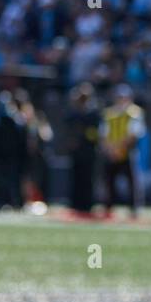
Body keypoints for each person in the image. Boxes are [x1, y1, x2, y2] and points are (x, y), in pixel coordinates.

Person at [100, 84, 146, 218]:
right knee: (109, 181)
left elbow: (134, 133)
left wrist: (119, 148)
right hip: (111, 152)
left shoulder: (134, 113)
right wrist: (110, 149)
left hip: (127, 151)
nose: (121, 99)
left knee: (132, 181)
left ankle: (134, 209)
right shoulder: (109, 113)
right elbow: (103, 134)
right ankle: (108, 208)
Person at [66, 82, 100, 215]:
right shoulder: (74, 112)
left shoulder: (93, 112)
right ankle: (75, 203)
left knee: (88, 179)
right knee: (75, 178)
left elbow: (92, 133)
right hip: (77, 151)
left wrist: (82, 137)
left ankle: (87, 205)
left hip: (88, 150)